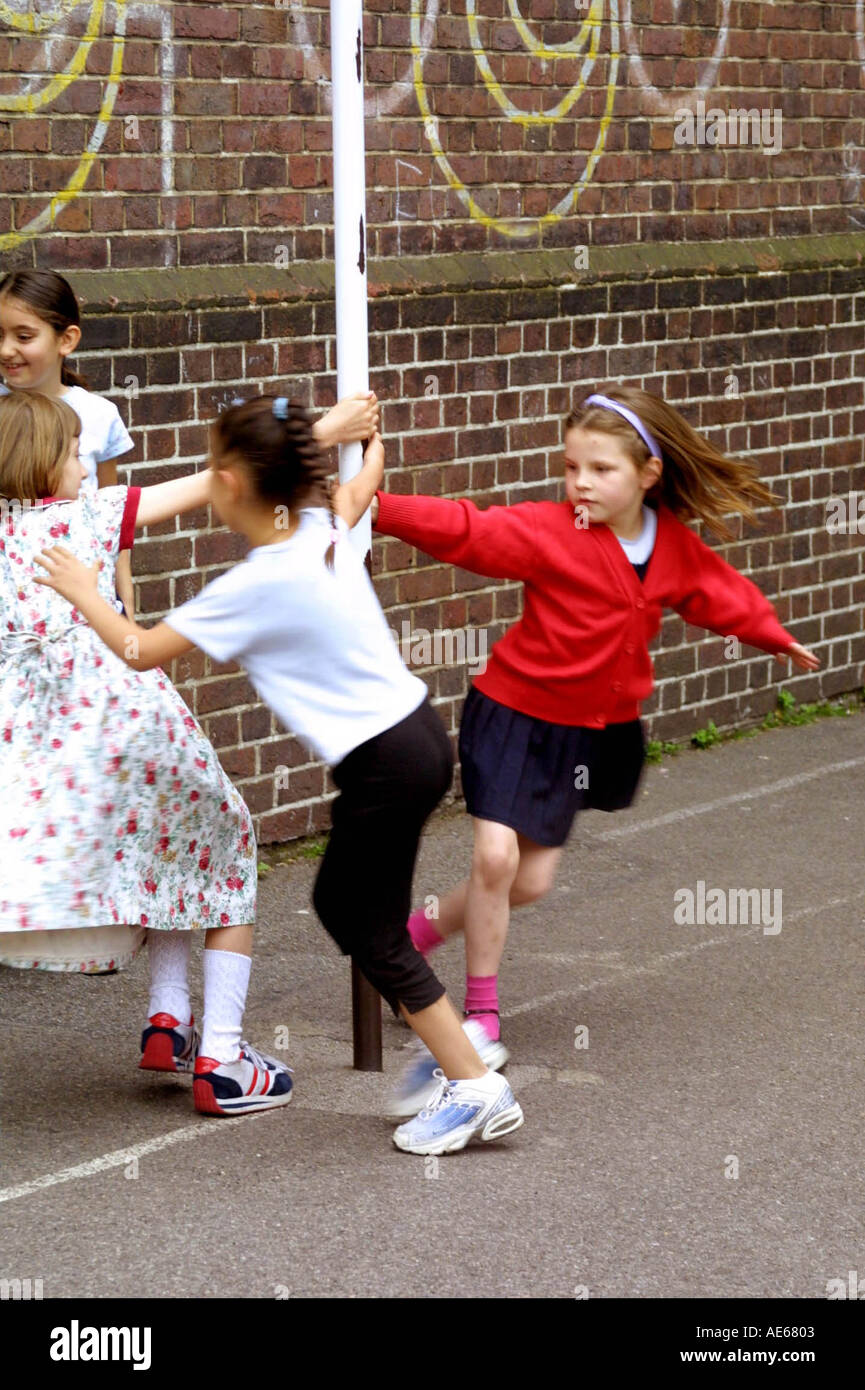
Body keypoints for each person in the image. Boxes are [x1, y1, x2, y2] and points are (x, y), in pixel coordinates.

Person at [34, 394, 525, 1156]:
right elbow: (355, 490)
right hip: (414, 739)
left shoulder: (254, 587)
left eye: (211, 465)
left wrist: (83, 591)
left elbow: (136, 649)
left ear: (230, 483)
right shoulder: (321, 527)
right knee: (344, 906)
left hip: (386, 763)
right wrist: (367, 437)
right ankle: (459, 1050)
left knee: (367, 925)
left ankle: (472, 1083)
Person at [370, 385, 820, 1111]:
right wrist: (376, 505)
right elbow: (467, 529)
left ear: (646, 474)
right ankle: (479, 1017)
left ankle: (405, 940)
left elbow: (718, 593)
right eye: (570, 466)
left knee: (530, 883)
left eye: (599, 470)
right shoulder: (550, 531)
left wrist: (769, 634)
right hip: (512, 715)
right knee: (493, 858)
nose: (579, 482)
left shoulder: (670, 545)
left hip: (589, 734)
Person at [0, 269, 137, 617]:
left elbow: (113, 516)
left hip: (85, 606)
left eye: (24, 336)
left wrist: (126, 601)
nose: (6, 350)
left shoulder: (100, 415)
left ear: (67, 339)